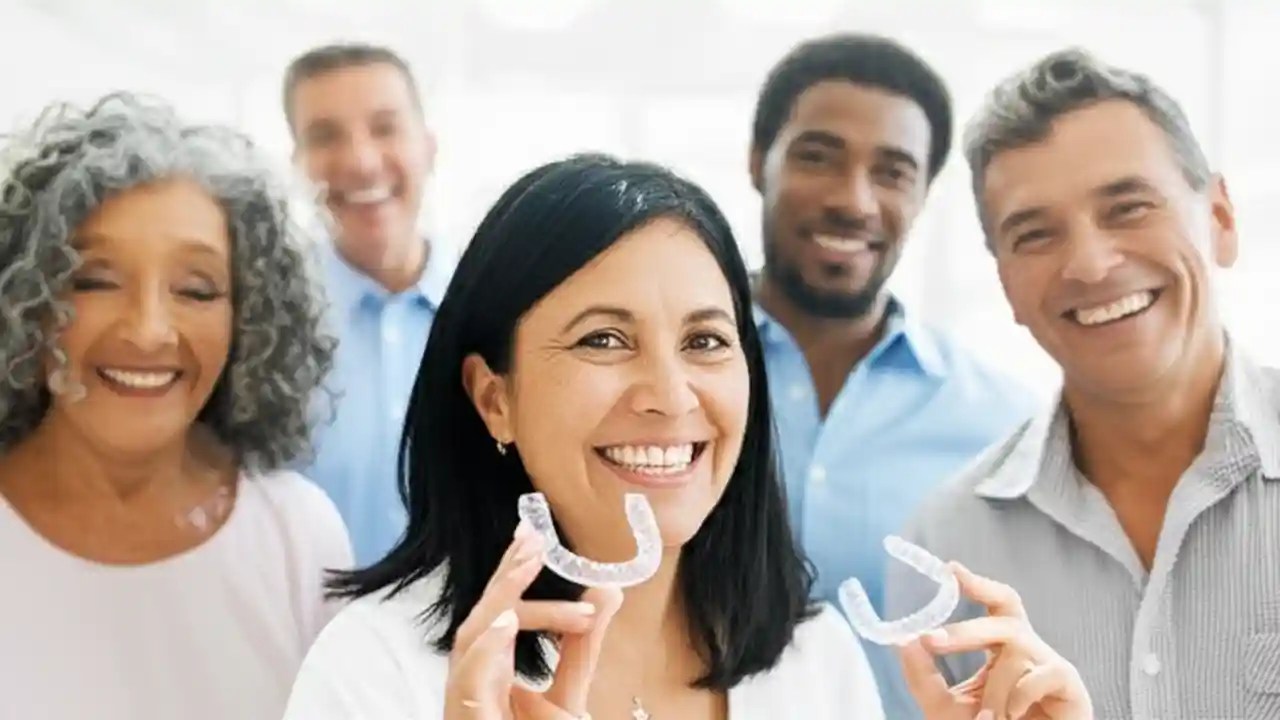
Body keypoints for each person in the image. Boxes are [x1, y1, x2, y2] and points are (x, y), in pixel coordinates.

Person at [281, 154, 1090, 719]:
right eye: (604, 340)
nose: (670, 397)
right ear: (494, 399)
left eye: (706, 341)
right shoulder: (376, 673)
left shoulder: (811, 659)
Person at [887, 48, 1280, 719]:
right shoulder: (945, 549)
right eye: (1035, 235)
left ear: (1220, 218)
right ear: (1005, 283)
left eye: (1128, 208)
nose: (1092, 265)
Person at [0, 93, 353, 720]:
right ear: (24, 301)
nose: (149, 330)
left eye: (196, 289)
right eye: (95, 280)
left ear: (248, 319)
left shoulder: (298, 535)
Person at [746, 33, 1039, 707]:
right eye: (818, 158)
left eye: (892, 172)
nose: (854, 200)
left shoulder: (1003, 426)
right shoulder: (664, 387)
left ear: (924, 193)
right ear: (759, 161)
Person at [283, 42, 451, 565]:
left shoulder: (506, 311)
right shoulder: (264, 327)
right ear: (298, 163)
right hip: (307, 640)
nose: (359, 161)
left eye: (384, 127)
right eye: (325, 136)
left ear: (428, 146)